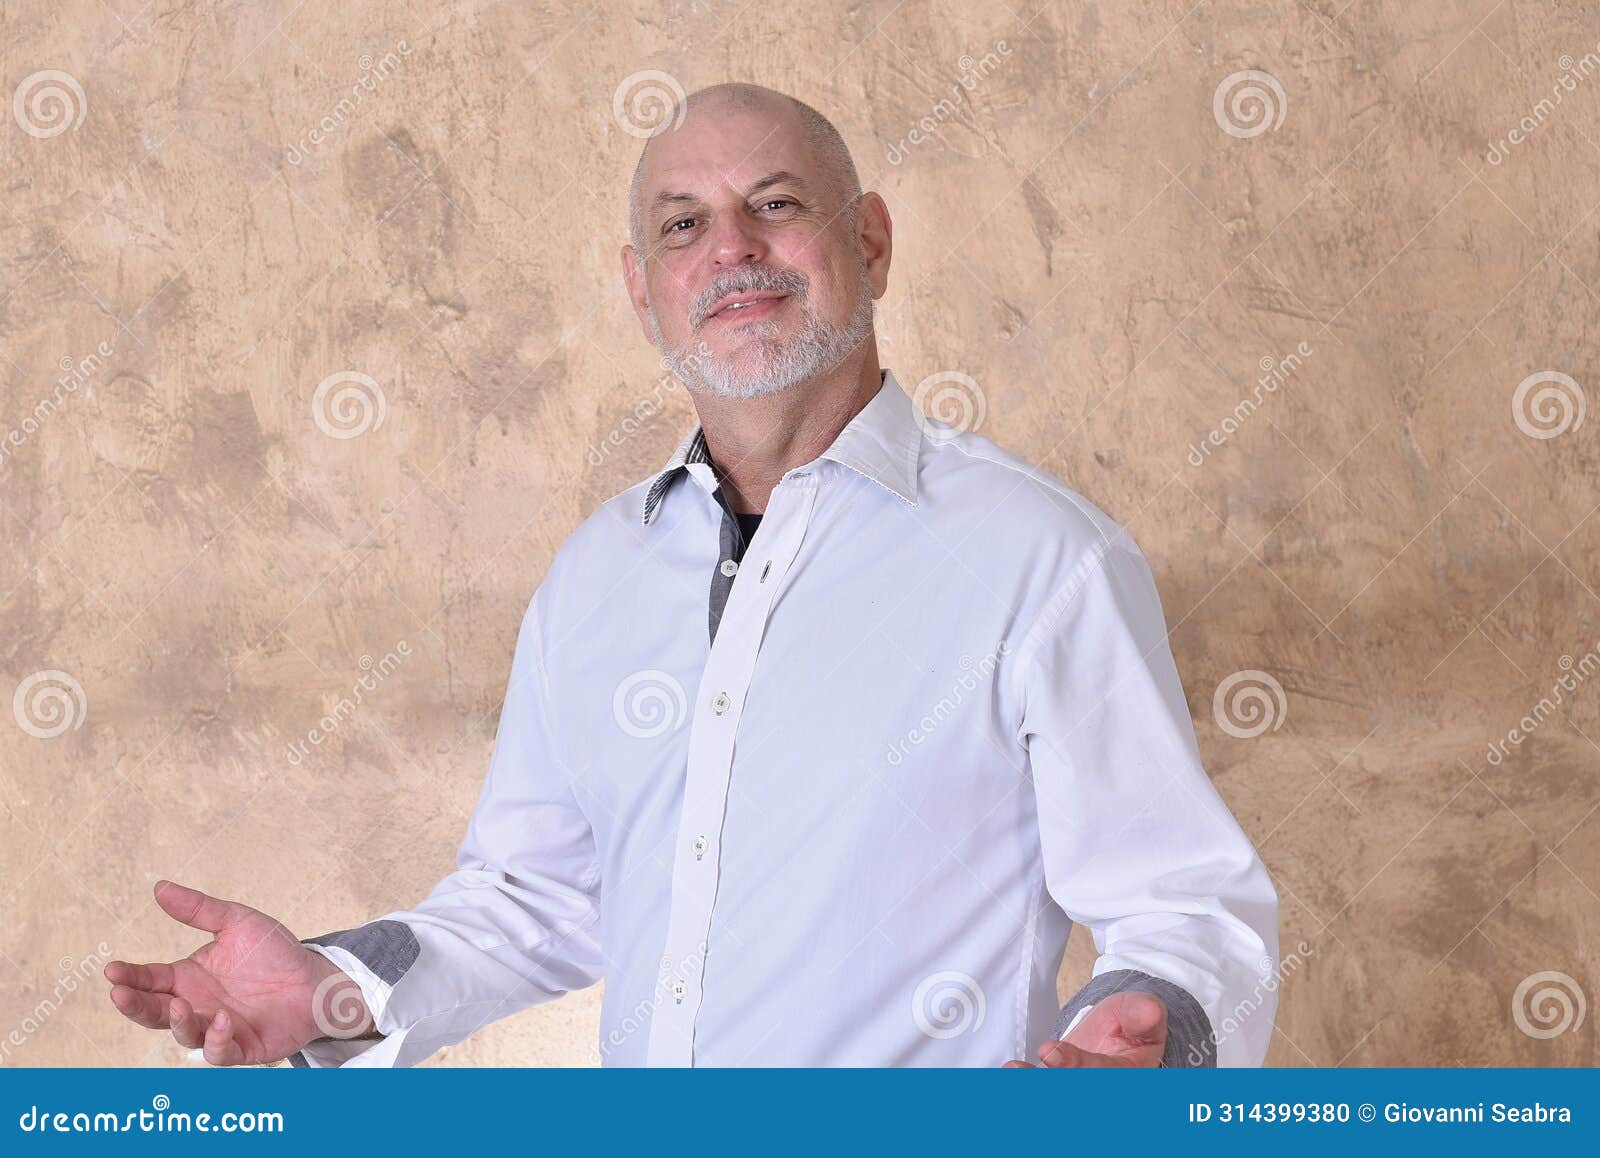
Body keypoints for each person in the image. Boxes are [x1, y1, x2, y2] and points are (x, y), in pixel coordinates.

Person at [105, 83, 1279, 1068]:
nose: (731, 250)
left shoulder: (1041, 558)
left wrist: (1151, 1038)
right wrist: (334, 987)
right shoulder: (596, 576)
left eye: (776, 204)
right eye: (683, 226)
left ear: (869, 242)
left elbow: (1182, 904)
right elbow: (535, 898)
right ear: (641, 289)